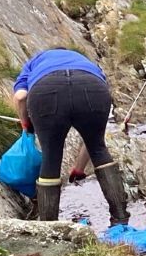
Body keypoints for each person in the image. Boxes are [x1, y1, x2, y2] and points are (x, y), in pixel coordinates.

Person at [12, 49, 128, 226]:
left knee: (51, 157)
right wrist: (79, 169)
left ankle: (49, 227)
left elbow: (21, 96)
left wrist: (26, 124)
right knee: (98, 146)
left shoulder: (34, 62)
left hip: (46, 91)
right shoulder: (86, 62)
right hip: (91, 87)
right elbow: (91, 139)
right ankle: (120, 217)